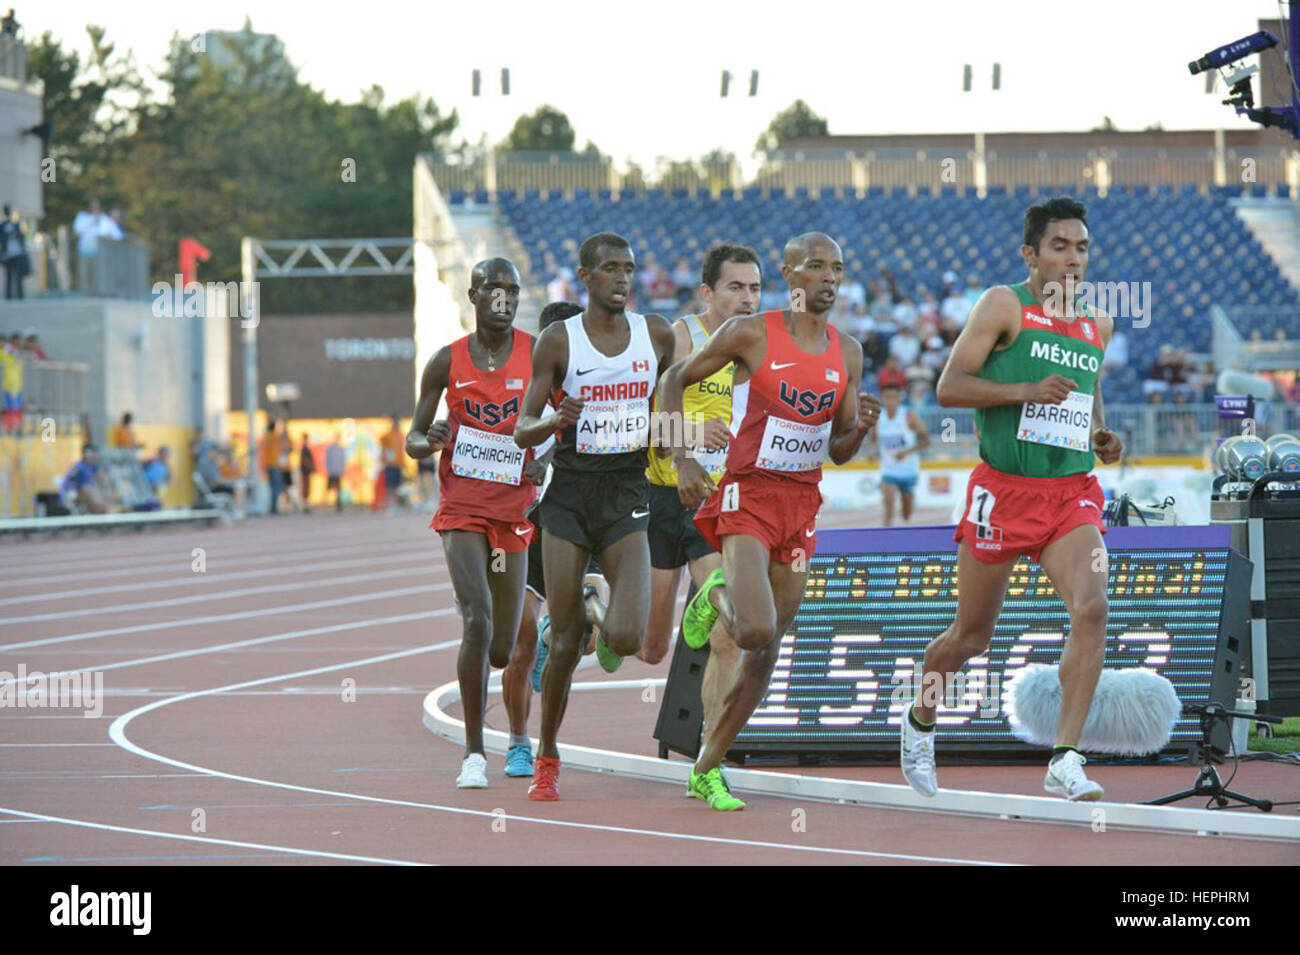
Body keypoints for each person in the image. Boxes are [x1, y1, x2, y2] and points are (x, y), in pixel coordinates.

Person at [900, 196, 1123, 802]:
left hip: (1070, 494)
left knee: (1093, 607)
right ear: (1031, 254)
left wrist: (1100, 434)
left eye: (1081, 247)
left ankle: (1065, 757)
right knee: (970, 638)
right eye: (1060, 246)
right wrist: (1027, 389)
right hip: (1003, 494)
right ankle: (920, 718)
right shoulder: (1004, 305)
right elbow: (950, 387)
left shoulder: (1097, 323)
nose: (1073, 259)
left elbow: (1086, 392)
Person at [662, 232, 880, 811]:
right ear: (790, 274)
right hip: (747, 496)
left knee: (768, 648)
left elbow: (837, 450)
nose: (829, 278)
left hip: (801, 504)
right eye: (816, 267)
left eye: (837, 267)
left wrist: (859, 429)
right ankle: (713, 592)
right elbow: (672, 380)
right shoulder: (752, 333)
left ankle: (708, 766)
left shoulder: (848, 351)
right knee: (754, 630)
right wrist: (682, 454)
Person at [514, 232, 676, 801]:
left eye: (629, 268)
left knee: (628, 635)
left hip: (627, 490)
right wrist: (558, 418)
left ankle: (589, 605)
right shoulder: (560, 341)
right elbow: (521, 429)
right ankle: (548, 755)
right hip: (569, 496)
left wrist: (681, 446)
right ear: (585, 276)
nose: (622, 278)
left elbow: (669, 403)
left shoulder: (655, 335)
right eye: (610, 268)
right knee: (561, 648)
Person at [407, 258, 547, 788]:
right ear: (474, 295)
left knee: (502, 649)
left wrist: (544, 459)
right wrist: (431, 440)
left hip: (512, 510)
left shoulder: (538, 354)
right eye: (495, 288)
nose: (505, 298)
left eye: (512, 289)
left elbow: (561, 421)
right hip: (462, 507)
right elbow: (413, 438)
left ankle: (484, 611)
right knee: (477, 619)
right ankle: (473, 753)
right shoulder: (446, 362)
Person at [640, 245, 758, 756]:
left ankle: (710, 754)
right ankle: (590, 613)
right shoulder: (680, 337)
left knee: (728, 633)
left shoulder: (754, 348)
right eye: (736, 287)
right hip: (661, 496)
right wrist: (689, 432)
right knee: (647, 648)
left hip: (710, 506)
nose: (747, 298)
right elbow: (633, 424)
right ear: (707, 292)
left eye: (755, 288)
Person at [501, 301, 610, 780]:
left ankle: (558, 633)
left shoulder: (597, 391)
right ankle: (519, 743)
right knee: (517, 647)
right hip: (518, 528)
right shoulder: (521, 396)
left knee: (582, 640)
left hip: (575, 523)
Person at [872, 383, 930, 525]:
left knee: (906, 513)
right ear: (882, 399)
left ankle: (909, 502)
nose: (890, 401)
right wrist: (872, 450)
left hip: (908, 468)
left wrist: (907, 452)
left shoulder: (909, 416)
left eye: (894, 397)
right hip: (889, 469)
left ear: (899, 399)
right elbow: (873, 438)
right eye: (887, 397)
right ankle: (884, 542)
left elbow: (926, 440)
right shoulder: (878, 418)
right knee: (888, 506)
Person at [61, 444, 110, 513]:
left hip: (82, 492)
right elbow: (82, 488)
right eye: (93, 452)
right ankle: (98, 510)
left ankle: (99, 510)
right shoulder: (79, 468)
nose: (95, 455)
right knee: (89, 492)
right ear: (86, 453)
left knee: (100, 494)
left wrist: (105, 491)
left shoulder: (92, 466)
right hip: (71, 495)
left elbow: (102, 481)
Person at [1, 204, 28, 300]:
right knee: (8, 276)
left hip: (18, 253)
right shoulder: (3, 226)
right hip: (7, 255)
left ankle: (20, 295)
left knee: (19, 276)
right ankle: (8, 296)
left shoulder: (18, 225)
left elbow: (23, 237)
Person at [381, 414, 406, 511]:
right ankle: (391, 505)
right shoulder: (387, 435)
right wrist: (384, 460)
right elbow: (383, 449)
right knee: (390, 485)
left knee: (397, 486)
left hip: (399, 464)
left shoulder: (401, 435)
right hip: (390, 464)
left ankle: (396, 504)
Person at [259, 420, 283, 515]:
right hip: (273, 466)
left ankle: (273, 507)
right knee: (276, 487)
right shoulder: (273, 437)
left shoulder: (266, 438)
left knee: (273, 488)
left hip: (269, 466)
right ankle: (274, 508)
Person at [325, 433, 347, 512]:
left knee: (338, 489)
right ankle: (326, 502)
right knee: (330, 488)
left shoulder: (341, 449)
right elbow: (327, 460)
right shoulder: (330, 449)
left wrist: (343, 470)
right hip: (332, 471)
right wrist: (327, 470)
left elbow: (343, 461)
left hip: (338, 471)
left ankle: (337, 503)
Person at [298, 434, 317, 513]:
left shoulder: (305, 449)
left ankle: (305, 505)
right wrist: (311, 466)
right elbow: (305, 460)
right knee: (305, 489)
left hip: (306, 471)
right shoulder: (304, 449)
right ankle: (305, 505)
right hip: (305, 471)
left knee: (306, 489)